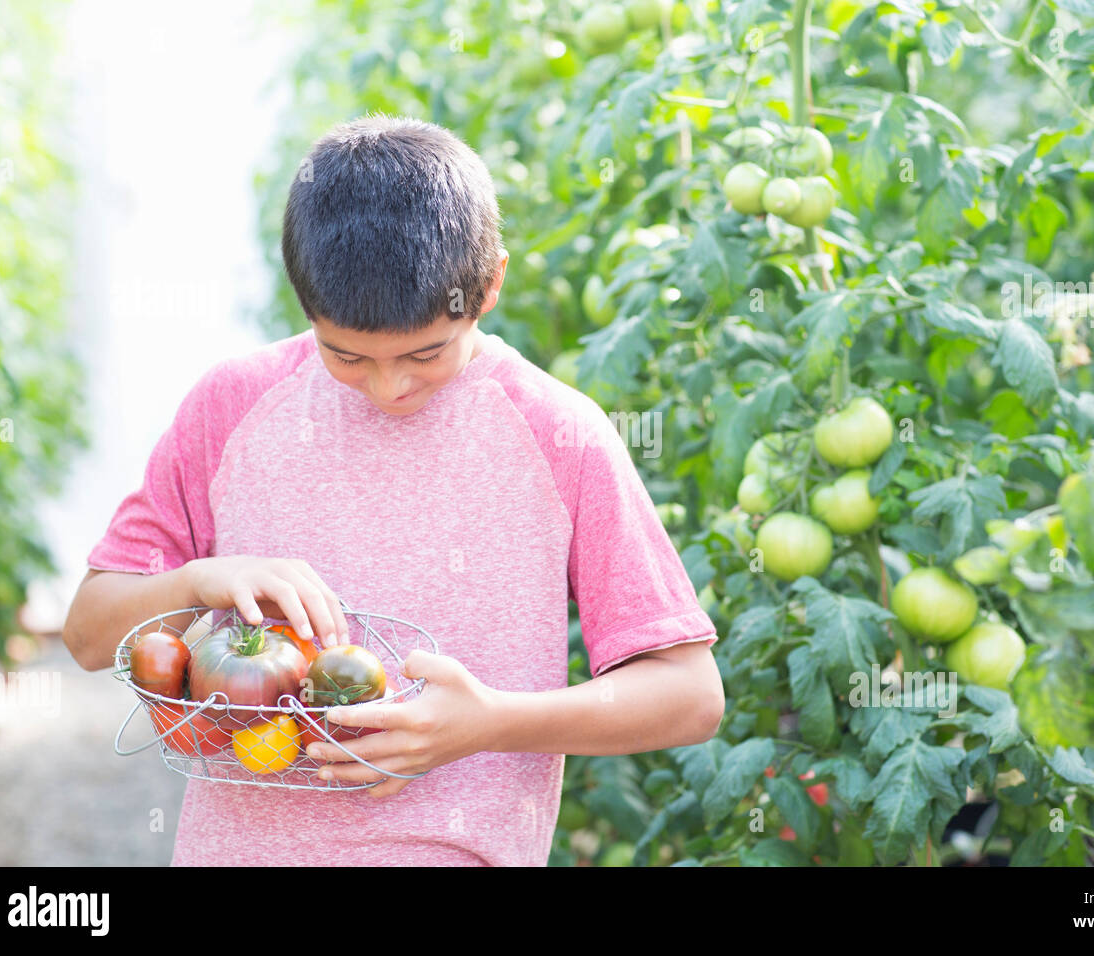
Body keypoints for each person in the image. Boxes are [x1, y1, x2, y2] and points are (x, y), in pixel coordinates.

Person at [63, 113, 724, 866]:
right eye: (346, 356)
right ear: (305, 305)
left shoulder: (557, 433)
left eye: (426, 353)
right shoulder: (232, 405)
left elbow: (689, 694)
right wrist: (200, 578)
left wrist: (490, 723)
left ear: (491, 284)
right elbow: (88, 632)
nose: (389, 385)